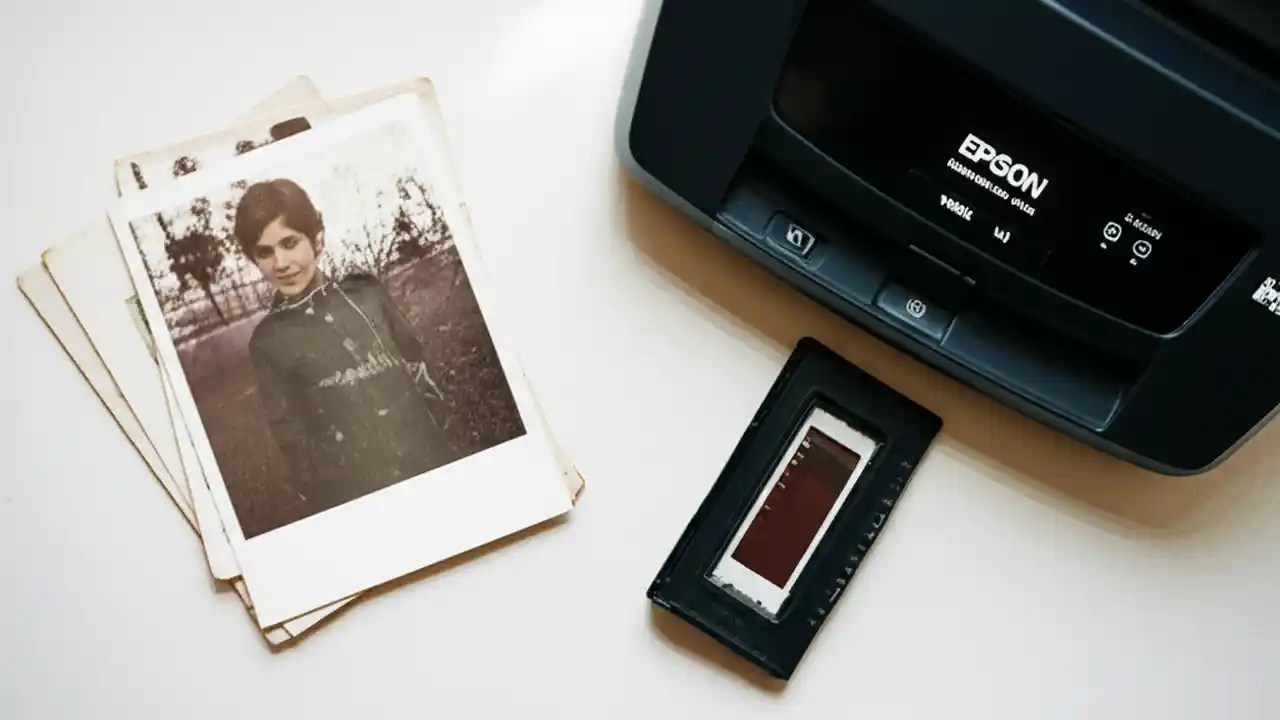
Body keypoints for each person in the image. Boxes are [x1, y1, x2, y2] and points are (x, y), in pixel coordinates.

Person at [235, 178, 450, 512]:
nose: (280, 263)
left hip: (431, 465)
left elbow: (420, 367)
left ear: (317, 238)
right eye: (265, 252)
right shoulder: (269, 341)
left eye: (290, 243)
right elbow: (293, 442)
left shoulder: (366, 294)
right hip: (359, 497)